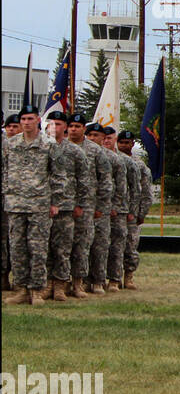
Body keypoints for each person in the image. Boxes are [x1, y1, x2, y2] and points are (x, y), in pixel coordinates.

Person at [3, 106, 64, 306]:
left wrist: (55, 202)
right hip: (15, 203)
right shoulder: (10, 144)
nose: (26, 122)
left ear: (38, 119)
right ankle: (21, 289)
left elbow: (57, 175)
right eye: (23, 119)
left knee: (38, 248)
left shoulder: (48, 144)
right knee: (17, 248)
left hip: (39, 204)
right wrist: (7, 192)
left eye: (30, 118)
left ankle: (37, 290)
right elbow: (4, 170)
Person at [43, 110, 90, 302]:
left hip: (67, 206)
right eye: (51, 123)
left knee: (63, 248)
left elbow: (84, 180)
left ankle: (61, 285)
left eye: (59, 124)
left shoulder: (75, 151)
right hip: (43, 205)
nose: (54, 127)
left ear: (65, 127)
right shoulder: (42, 148)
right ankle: (46, 284)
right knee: (44, 248)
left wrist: (80, 204)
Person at [67, 113, 109, 298]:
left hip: (86, 205)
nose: (74, 129)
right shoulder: (58, 146)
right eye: (71, 126)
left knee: (83, 245)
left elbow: (105, 179)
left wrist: (100, 206)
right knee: (60, 246)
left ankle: (79, 282)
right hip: (63, 204)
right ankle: (59, 282)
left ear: (84, 128)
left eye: (77, 126)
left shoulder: (94, 150)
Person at [116, 130, 153, 290]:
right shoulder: (112, 160)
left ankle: (129, 276)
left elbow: (146, 192)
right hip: (116, 210)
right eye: (121, 142)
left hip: (132, 212)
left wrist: (141, 213)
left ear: (132, 144)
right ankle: (114, 277)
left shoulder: (140, 165)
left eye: (127, 143)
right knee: (115, 246)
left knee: (130, 246)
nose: (124, 145)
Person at [83, 123, 116, 295]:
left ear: (103, 138)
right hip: (81, 206)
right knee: (81, 246)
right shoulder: (78, 151)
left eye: (96, 135)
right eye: (90, 135)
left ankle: (98, 280)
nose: (93, 138)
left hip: (99, 208)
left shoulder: (109, 157)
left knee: (99, 246)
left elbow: (107, 184)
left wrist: (102, 207)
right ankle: (80, 280)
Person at [99, 125, 133, 292]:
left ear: (115, 140)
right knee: (98, 245)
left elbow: (129, 188)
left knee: (117, 246)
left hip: (118, 210)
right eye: (103, 138)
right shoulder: (96, 156)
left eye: (109, 138)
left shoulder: (124, 161)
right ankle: (94, 279)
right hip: (98, 208)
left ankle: (115, 279)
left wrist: (129, 210)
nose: (105, 141)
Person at [1, 112, 19, 291]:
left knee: (9, 239)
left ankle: (7, 276)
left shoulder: (12, 146)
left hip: (11, 198)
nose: (11, 130)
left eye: (15, 126)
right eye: (9, 126)